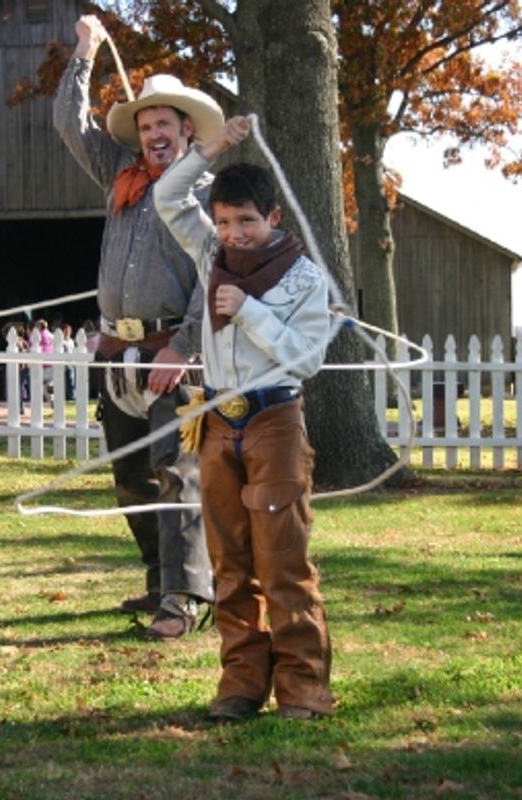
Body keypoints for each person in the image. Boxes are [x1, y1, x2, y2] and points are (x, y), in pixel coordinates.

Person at [154, 116, 334, 720]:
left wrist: (250, 310)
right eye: (225, 221)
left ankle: (304, 690)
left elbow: (307, 360)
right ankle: (240, 685)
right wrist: (211, 147)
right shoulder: (211, 254)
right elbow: (168, 196)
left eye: (246, 222)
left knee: (282, 559)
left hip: (273, 420)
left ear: (273, 218)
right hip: (216, 418)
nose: (233, 234)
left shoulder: (304, 278)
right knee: (230, 561)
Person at [54, 14, 225, 640]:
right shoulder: (120, 180)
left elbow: (215, 279)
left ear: (186, 130)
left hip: (173, 355)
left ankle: (185, 597)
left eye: (164, 124)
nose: (154, 134)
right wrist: (84, 53)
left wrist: (182, 347)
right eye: (146, 124)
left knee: (176, 472)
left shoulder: (205, 198)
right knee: (129, 474)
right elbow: (68, 127)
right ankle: (158, 580)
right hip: (115, 349)